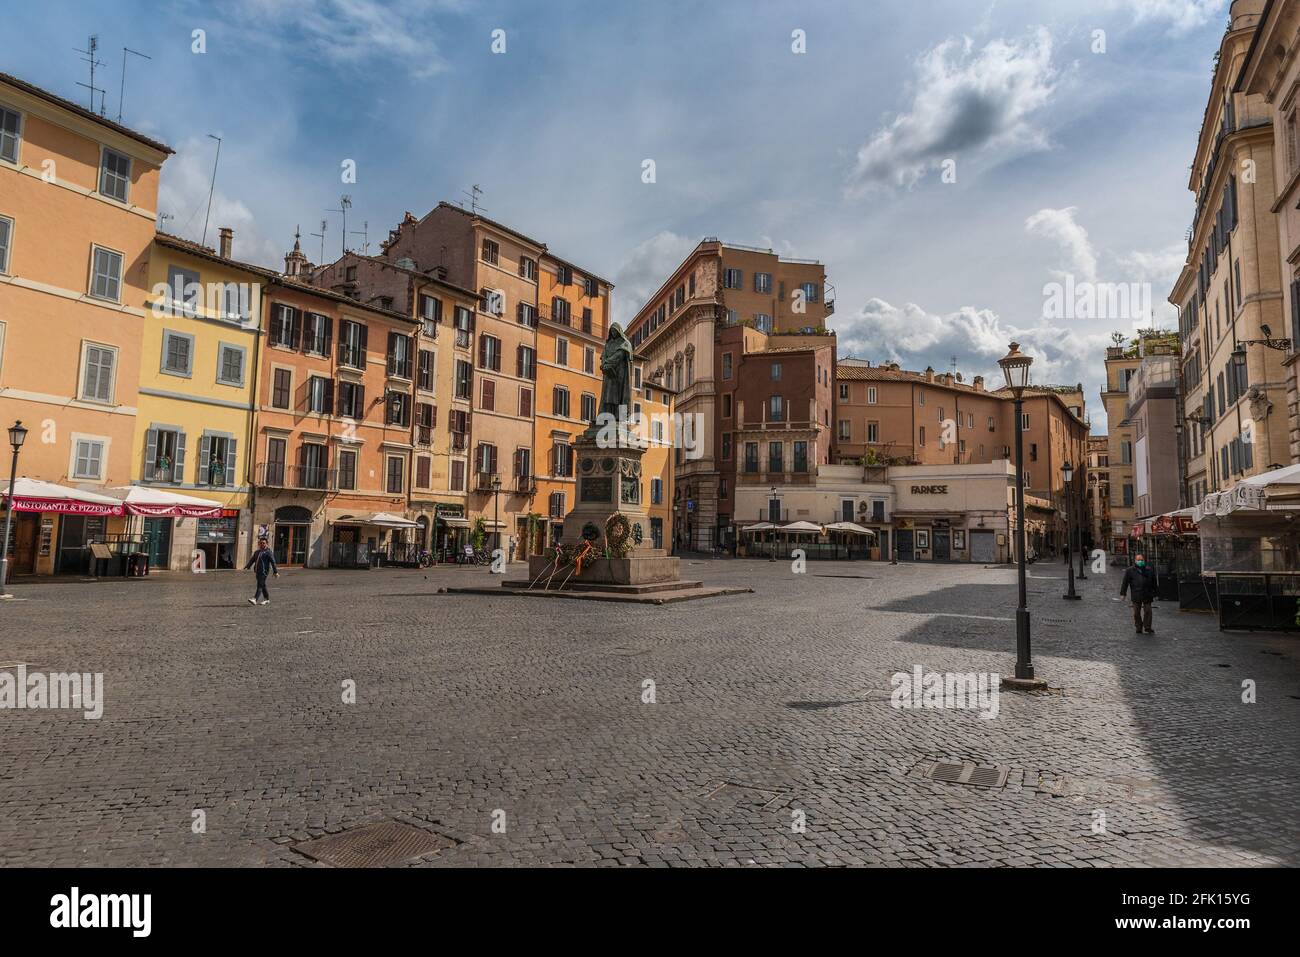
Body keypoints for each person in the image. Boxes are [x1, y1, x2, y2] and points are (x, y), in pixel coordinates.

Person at [1120, 553, 1157, 634]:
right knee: (1136, 612)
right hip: (1136, 594)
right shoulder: (1130, 570)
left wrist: (1156, 593)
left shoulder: (1149, 569)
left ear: (1144, 560)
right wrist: (1123, 593)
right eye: (1138, 560)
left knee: (1148, 611)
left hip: (1147, 594)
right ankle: (1138, 627)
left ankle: (1147, 627)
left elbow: (1154, 582)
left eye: (1141, 560)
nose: (1140, 561)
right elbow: (1125, 582)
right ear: (1135, 561)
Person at [244, 537, 278, 605]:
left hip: (264, 571)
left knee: (259, 585)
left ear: (267, 544)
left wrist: (275, 571)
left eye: (264, 543)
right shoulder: (257, 552)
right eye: (261, 543)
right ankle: (267, 599)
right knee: (263, 585)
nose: (262, 544)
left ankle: (255, 599)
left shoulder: (268, 552)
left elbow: (273, 562)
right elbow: (252, 559)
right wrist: (248, 566)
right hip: (257, 571)